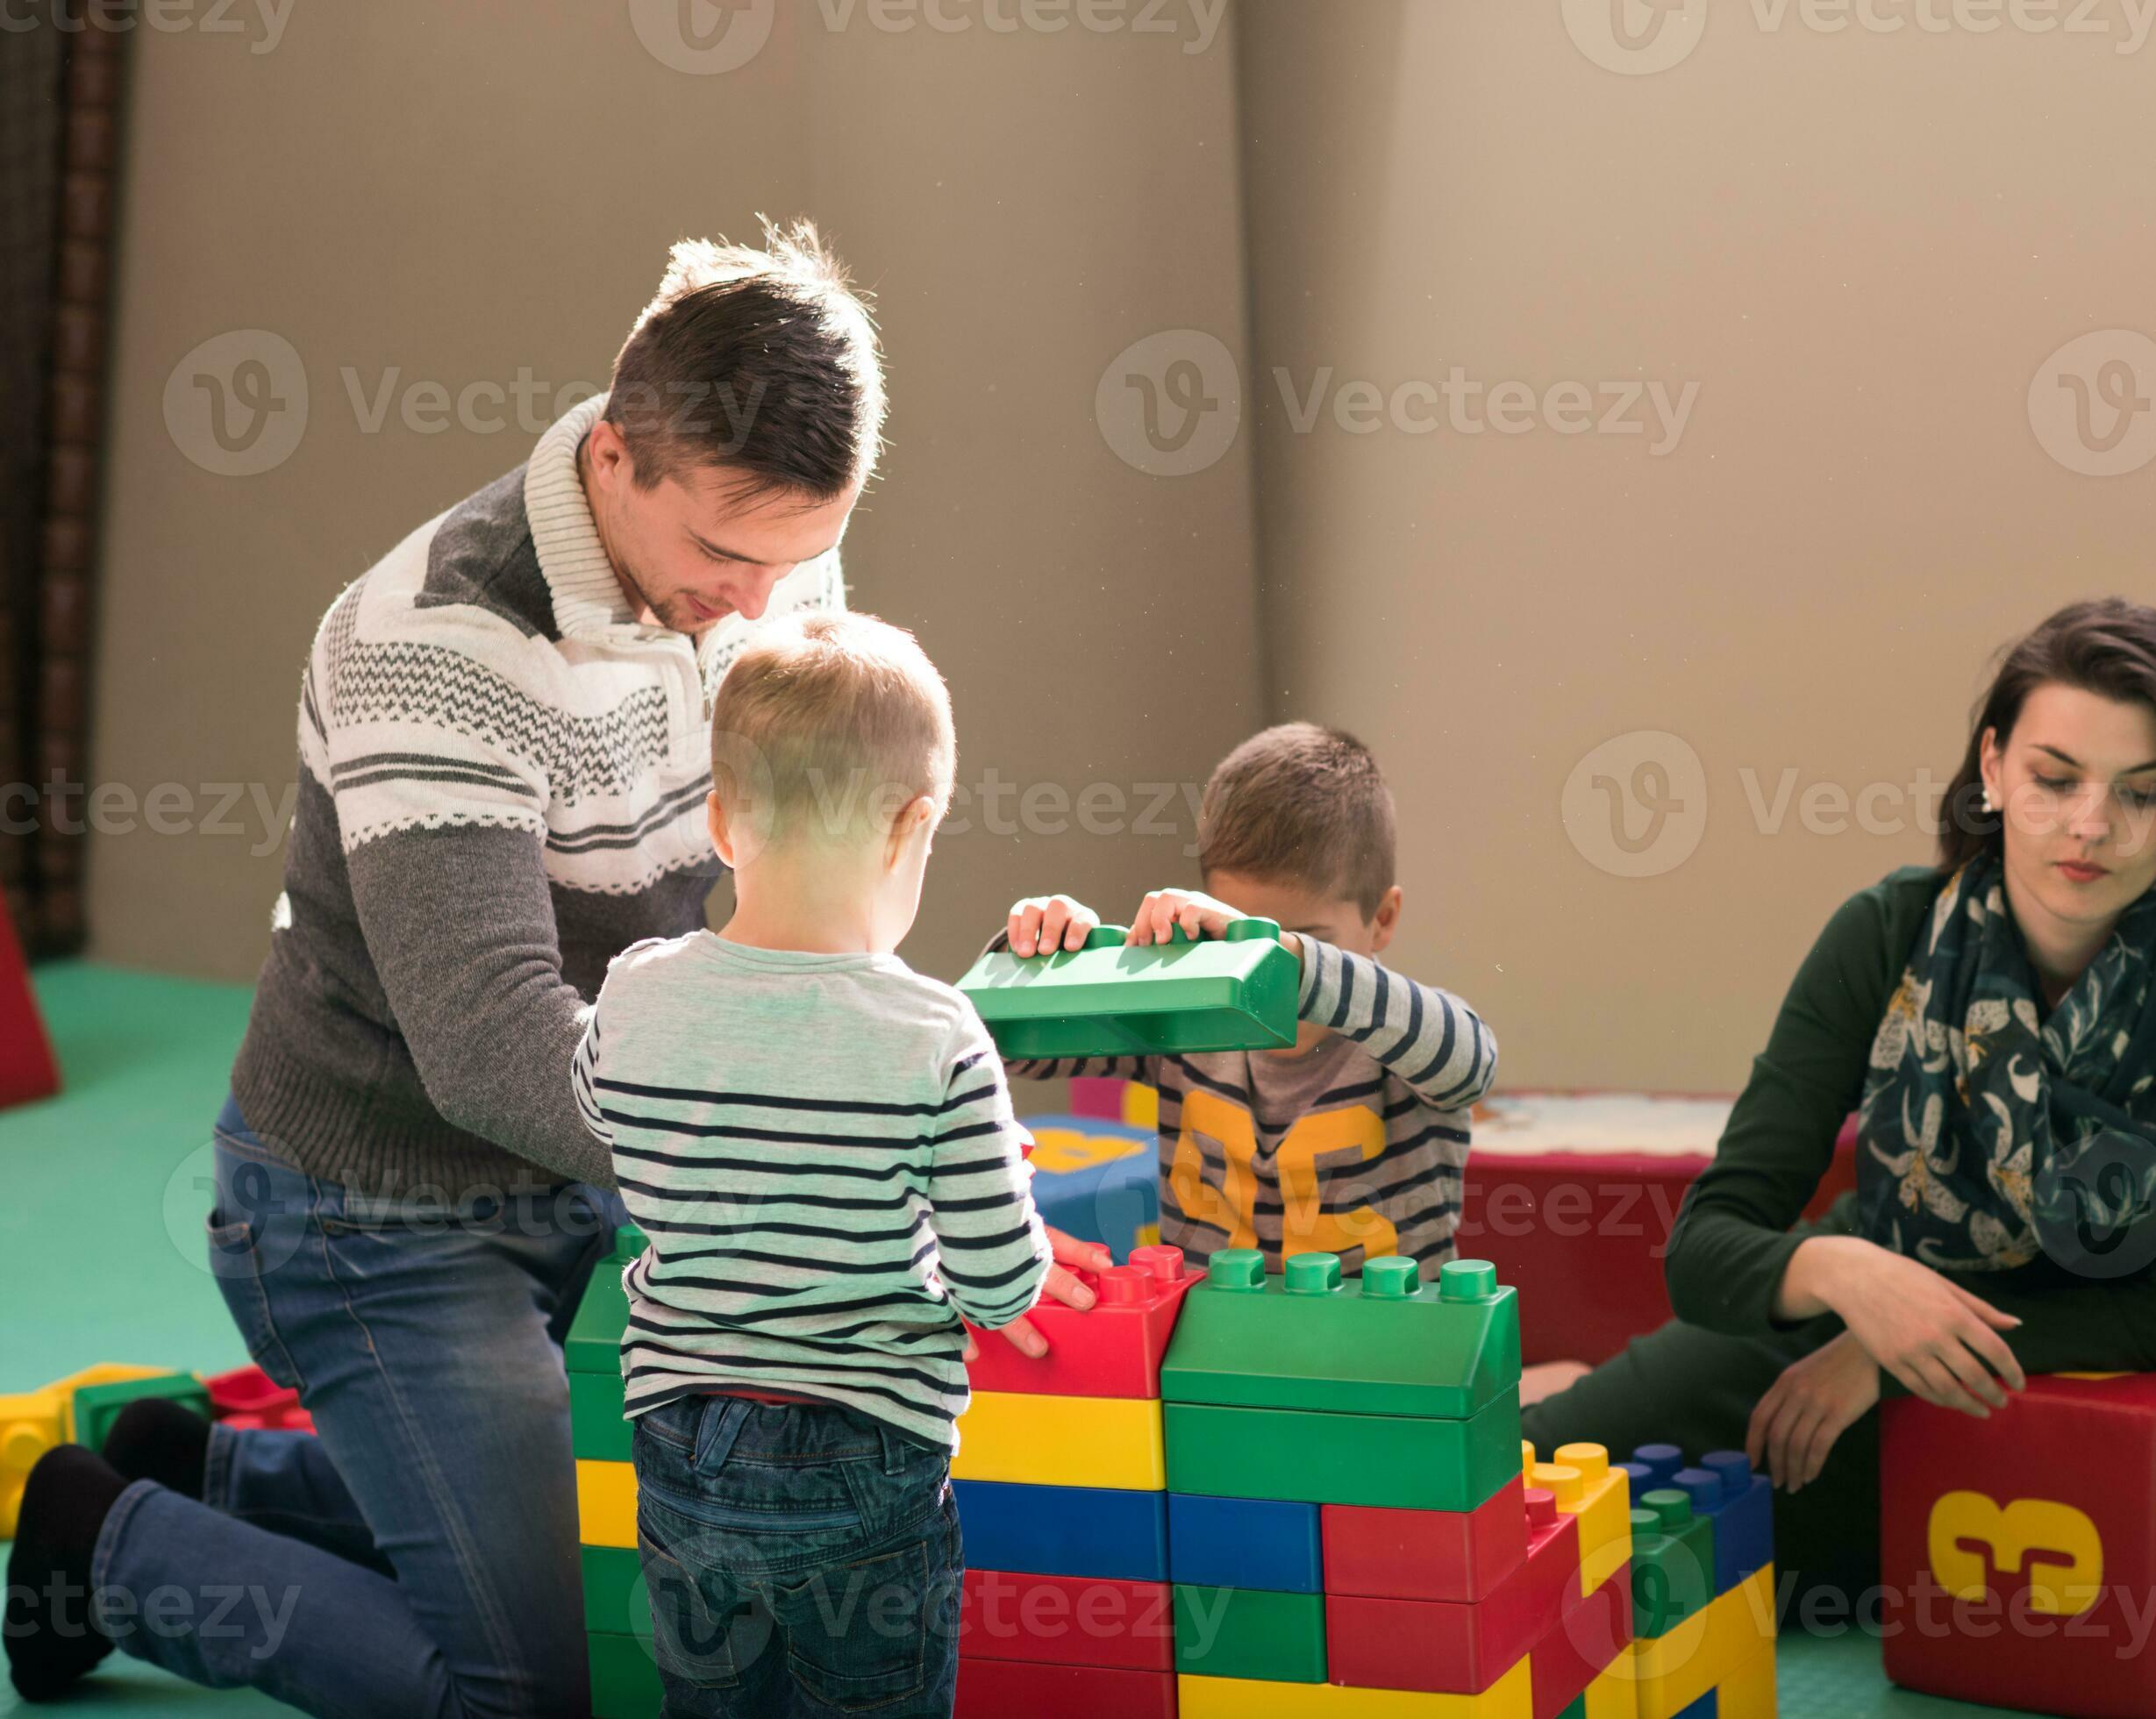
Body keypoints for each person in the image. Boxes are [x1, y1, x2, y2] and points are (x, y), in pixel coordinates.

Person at [5, 221, 1097, 1716]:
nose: (761, 605)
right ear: (616, 450)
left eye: (797, 557)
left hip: (618, 1149)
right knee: (539, 1684)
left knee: (675, 1535)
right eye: (724, 554)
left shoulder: (761, 558)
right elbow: (490, 1042)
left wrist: (922, 1101)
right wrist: (823, 1137)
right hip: (373, 1205)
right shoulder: (438, 638)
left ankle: (206, 1469)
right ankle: (104, 1542)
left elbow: (819, 855)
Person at [1520, 598, 2156, 1623]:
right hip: (1837, 1327)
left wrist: (1892, 1358)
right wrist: (1854, 1280)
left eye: (2143, 792)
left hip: (2059, 1369)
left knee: (1819, 1590)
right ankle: (1560, 1386)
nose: (2090, 825)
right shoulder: (1888, 929)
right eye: (2054, 778)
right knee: (1520, 1488)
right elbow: (1709, 1248)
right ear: (1991, 769)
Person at [571, 611, 1051, 1718]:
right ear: (909, 827)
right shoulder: (936, 1034)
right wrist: (984, 1179)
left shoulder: (637, 989)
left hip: (680, 1437)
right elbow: (1000, 1286)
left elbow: (605, 1111)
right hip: (866, 1454)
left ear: (723, 820)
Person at [998, 721, 1500, 1274]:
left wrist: (1292, 961)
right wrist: (1041, 957)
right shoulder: (1184, 1021)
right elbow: (1010, 1050)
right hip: (1211, 1350)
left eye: (1299, 941)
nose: (1267, 978)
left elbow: (1471, 1064)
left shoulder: (1400, 1035)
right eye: (1238, 935)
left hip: (1389, 1353)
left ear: (1381, 921)